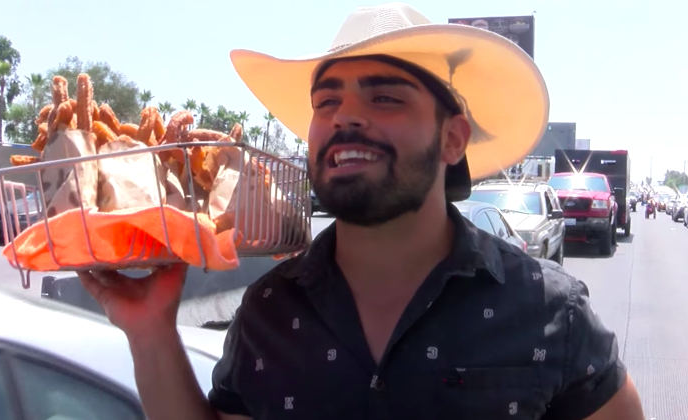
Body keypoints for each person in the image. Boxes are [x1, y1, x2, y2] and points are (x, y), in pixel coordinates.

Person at [78, 3, 646, 419]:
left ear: (453, 140)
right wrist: (150, 331)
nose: (345, 116)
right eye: (327, 101)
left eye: (384, 96)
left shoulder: (549, 312)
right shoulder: (267, 313)